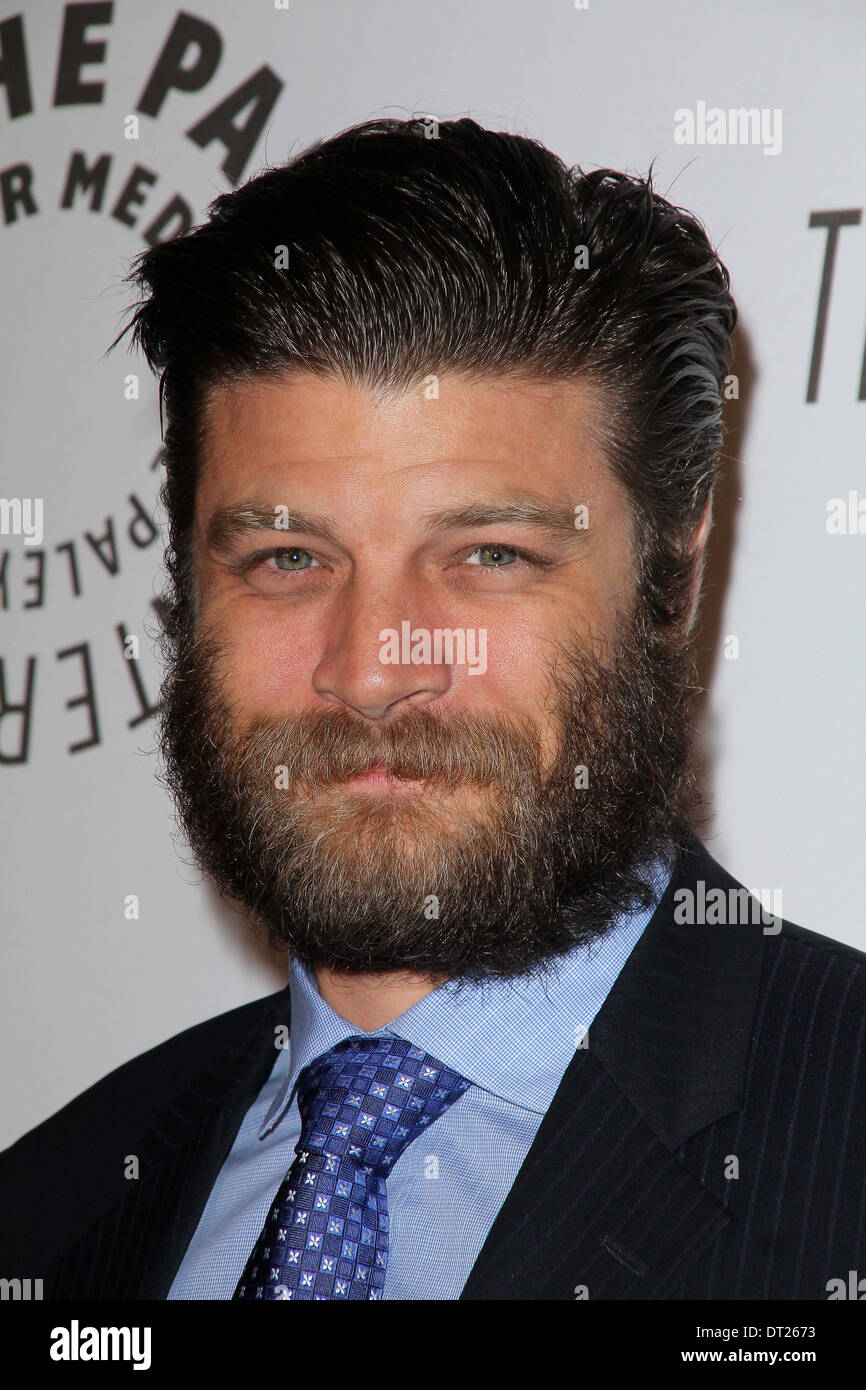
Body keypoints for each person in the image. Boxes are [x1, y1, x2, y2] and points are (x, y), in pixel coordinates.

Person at [2, 117, 863, 1301]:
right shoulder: (49, 1207)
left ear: (673, 580)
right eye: (289, 560)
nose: (371, 668)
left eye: (488, 556)